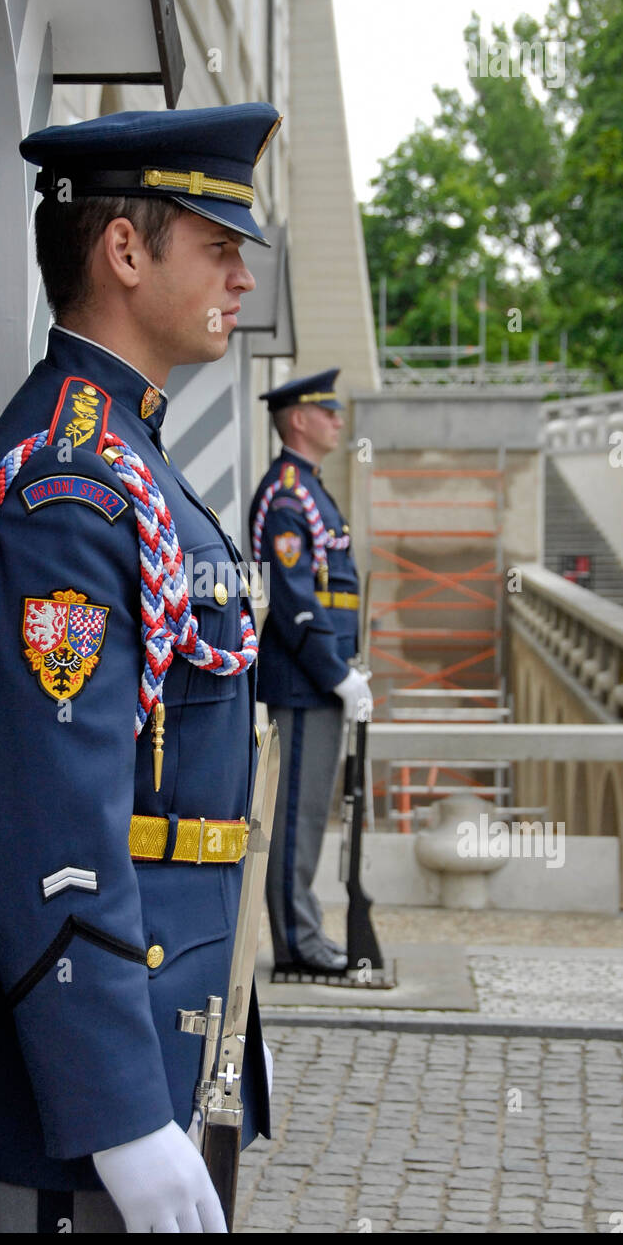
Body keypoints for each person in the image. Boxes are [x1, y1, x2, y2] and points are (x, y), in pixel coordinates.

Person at [0, 103, 282, 1234]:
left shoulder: (126, 456)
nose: (240, 281)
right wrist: (120, 1114)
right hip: (80, 1095)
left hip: (165, 1025)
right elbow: (53, 826)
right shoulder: (67, 487)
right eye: (217, 248)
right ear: (124, 252)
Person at [249, 370, 372, 976]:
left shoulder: (310, 491)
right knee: (295, 817)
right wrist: (335, 674)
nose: (338, 420)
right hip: (304, 682)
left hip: (318, 679)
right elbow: (295, 601)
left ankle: (306, 931)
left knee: (310, 813)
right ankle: (298, 942)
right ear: (298, 419)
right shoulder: (288, 497)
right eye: (328, 411)